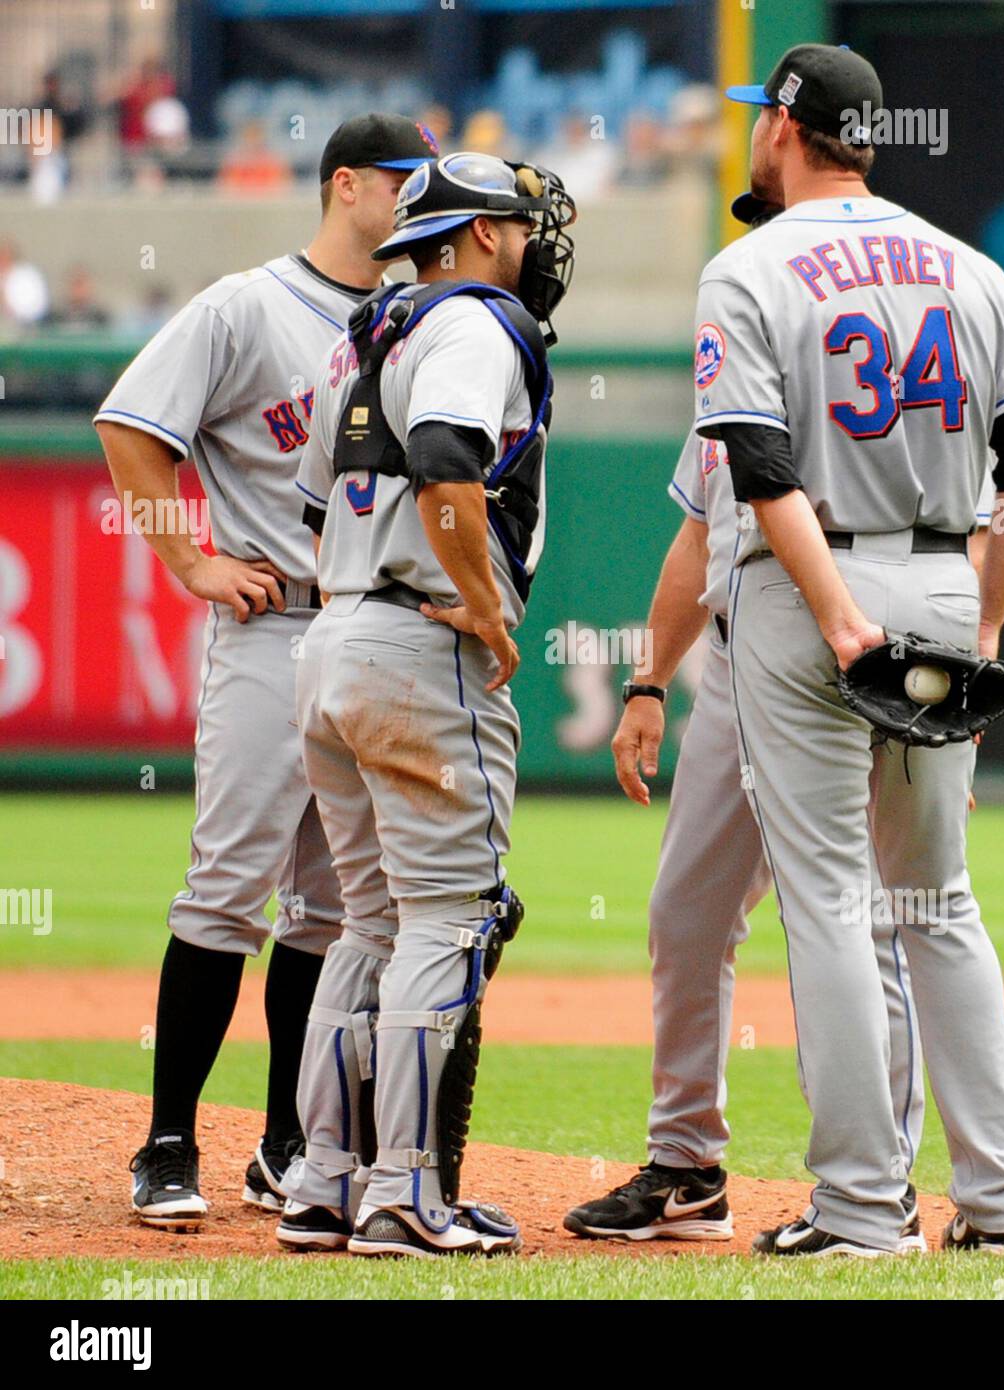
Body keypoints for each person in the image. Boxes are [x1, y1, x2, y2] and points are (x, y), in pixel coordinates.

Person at [694, 43, 1004, 1257]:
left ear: (789, 128)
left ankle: (859, 1210)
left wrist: (834, 608)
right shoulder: (968, 266)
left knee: (828, 900)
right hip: (941, 579)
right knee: (938, 900)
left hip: (812, 590)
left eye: (762, 117)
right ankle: (1002, 1208)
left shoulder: (747, 265)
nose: (753, 133)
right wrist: (985, 614)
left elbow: (757, 468)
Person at [94, 114, 440, 1231]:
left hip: (365, 630)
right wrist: (188, 556)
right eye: (399, 180)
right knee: (227, 888)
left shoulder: (411, 317)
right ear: (345, 185)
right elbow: (130, 425)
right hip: (269, 627)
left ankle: (287, 1140)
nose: (413, 197)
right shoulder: (248, 303)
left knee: (329, 915)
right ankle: (166, 1141)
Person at [562, 195, 926, 1250]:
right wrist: (645, 684)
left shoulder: (867, 389)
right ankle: (684, 1167)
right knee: (684, 913)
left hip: (828, 657)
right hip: (726, 668)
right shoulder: (731, 383)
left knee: (851, 916)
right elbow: (693, 541)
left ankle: (878, 1182)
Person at [274, 151, 576, 1258]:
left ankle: (320, 1177)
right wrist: (483, 607)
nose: (533, 241)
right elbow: (450, 464)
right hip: (416, 644)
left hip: (334, 634)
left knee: (370, 919)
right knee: (451, 914)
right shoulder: (472, 322)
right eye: (519, 221)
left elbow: (314, 509)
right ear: (480, 232)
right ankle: (404, 1191)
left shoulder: (362, 329)